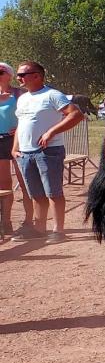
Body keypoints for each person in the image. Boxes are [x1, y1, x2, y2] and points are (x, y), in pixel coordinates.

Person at [11, 61, 84, 243]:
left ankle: (58, 231)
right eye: (18, 75)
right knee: (35, 193)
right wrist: (14, 148)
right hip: (25, 153)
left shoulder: (52, 95)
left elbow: (76, 114)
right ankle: (39, 229)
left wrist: (52, 132)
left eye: (22, 74)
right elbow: (21, 125)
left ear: (37, 75)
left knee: (53, 192)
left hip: (48, 151)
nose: (18, 78)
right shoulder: (22, 98)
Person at [0, 63, 34, 237]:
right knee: (4, 184)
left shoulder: (19, 94)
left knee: (24, 182)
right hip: (0, 141)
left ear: (9, 75)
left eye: (0, 72)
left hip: (17, 140)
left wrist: (19, 126)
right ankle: (6, 222)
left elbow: (30, 113)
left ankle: (30, 220)